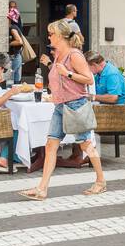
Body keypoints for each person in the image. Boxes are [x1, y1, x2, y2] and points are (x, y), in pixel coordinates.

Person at [26, 23, 106, 197]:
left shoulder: (74, 55)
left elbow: (88, 79)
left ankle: (101, 181)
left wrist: (67, 73)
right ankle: (42, 188)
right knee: (50, 145)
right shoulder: (59, 55)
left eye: (51, 34)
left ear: (61, 36)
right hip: (60, 106)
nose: (48, 37)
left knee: (86, 145)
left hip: (75, 106)